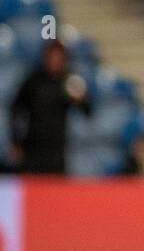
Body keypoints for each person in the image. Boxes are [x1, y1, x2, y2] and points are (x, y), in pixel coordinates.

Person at [8, 39, 91, 173]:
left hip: (57, 150)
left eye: (59, 57)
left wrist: (81, 99)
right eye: (52, 56)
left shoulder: (69, 82)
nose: (55, 61)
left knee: (56, 190)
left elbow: (87, 111)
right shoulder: (33, 81)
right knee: (33, 188)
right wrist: (16, 142)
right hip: (33, 147)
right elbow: (16, 110)